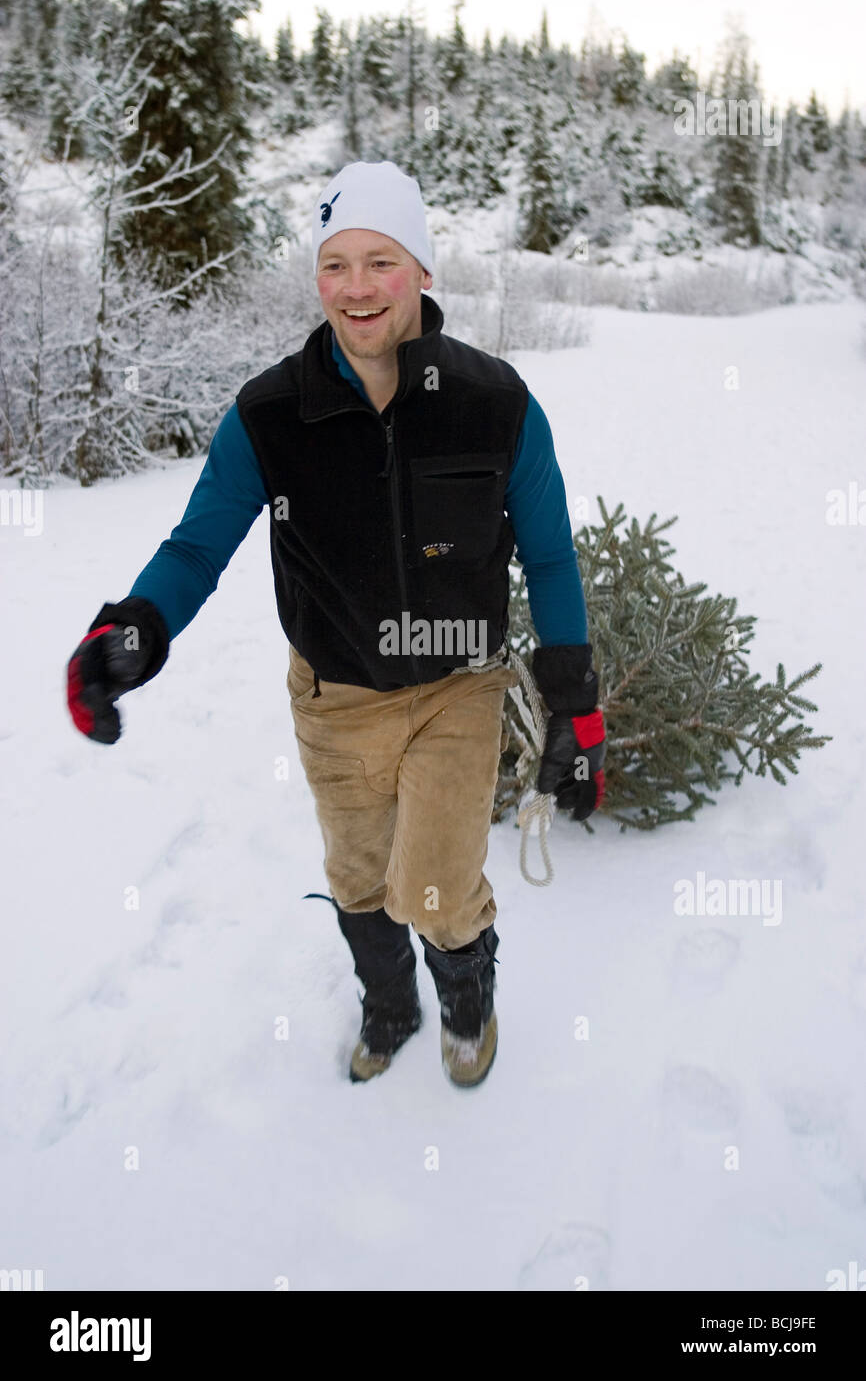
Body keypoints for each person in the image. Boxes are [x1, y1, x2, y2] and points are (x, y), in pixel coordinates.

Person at [66, 160, 607, 1090]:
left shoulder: (497, 404)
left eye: (381, 261)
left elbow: (551, 558)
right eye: (336, 264)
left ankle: (467, 1003)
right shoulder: (269, 416)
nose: (357, 288)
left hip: (455, 687)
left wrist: (576, 708)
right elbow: (198, 549)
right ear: (316, 276)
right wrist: (135, 630)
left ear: (423, 271)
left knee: (431, 890)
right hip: (335, 699)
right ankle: (390, 1007)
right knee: (360, 882)